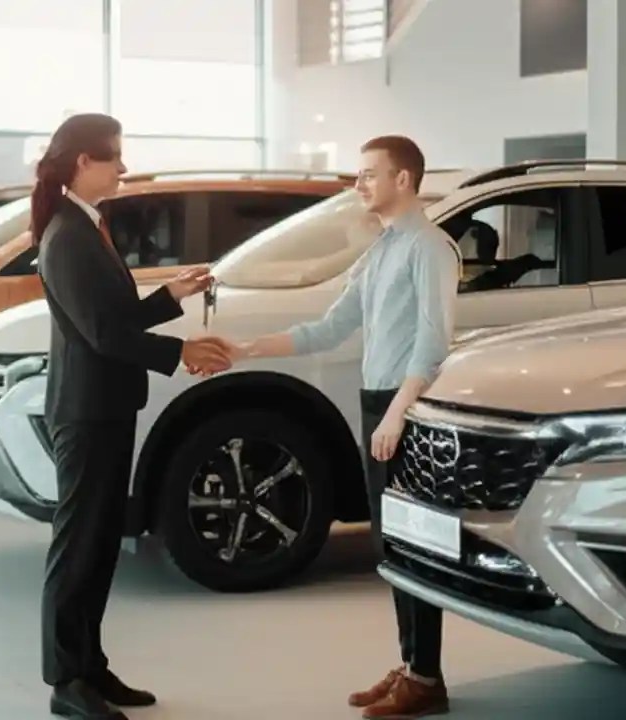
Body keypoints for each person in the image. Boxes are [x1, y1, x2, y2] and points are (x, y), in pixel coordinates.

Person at [203, 135, 460, 719]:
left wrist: (397, 413)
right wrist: (247, 349)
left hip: (406, 407)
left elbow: (433, 343)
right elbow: (329, 327)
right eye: (358, 174)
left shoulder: (430, 248)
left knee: (412, 545)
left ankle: (426, 678)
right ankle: (413, 665)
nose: (358, 184)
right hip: (379, 401)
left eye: (370, 174)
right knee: (391, 544)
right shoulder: (381, 250)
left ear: (404, 180)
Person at [33, 113, 232, 720]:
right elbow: (101, 334)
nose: (123, 167)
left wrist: (171, 297)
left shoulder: (88, 226)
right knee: (78, 548)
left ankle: (91, 668)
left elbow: (116, 320)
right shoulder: (66, 235)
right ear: (80, 164)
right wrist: (181, 352)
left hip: (107, 408)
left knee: (98, 546)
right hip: (86, 414)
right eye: (113, 157)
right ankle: (67, 681)